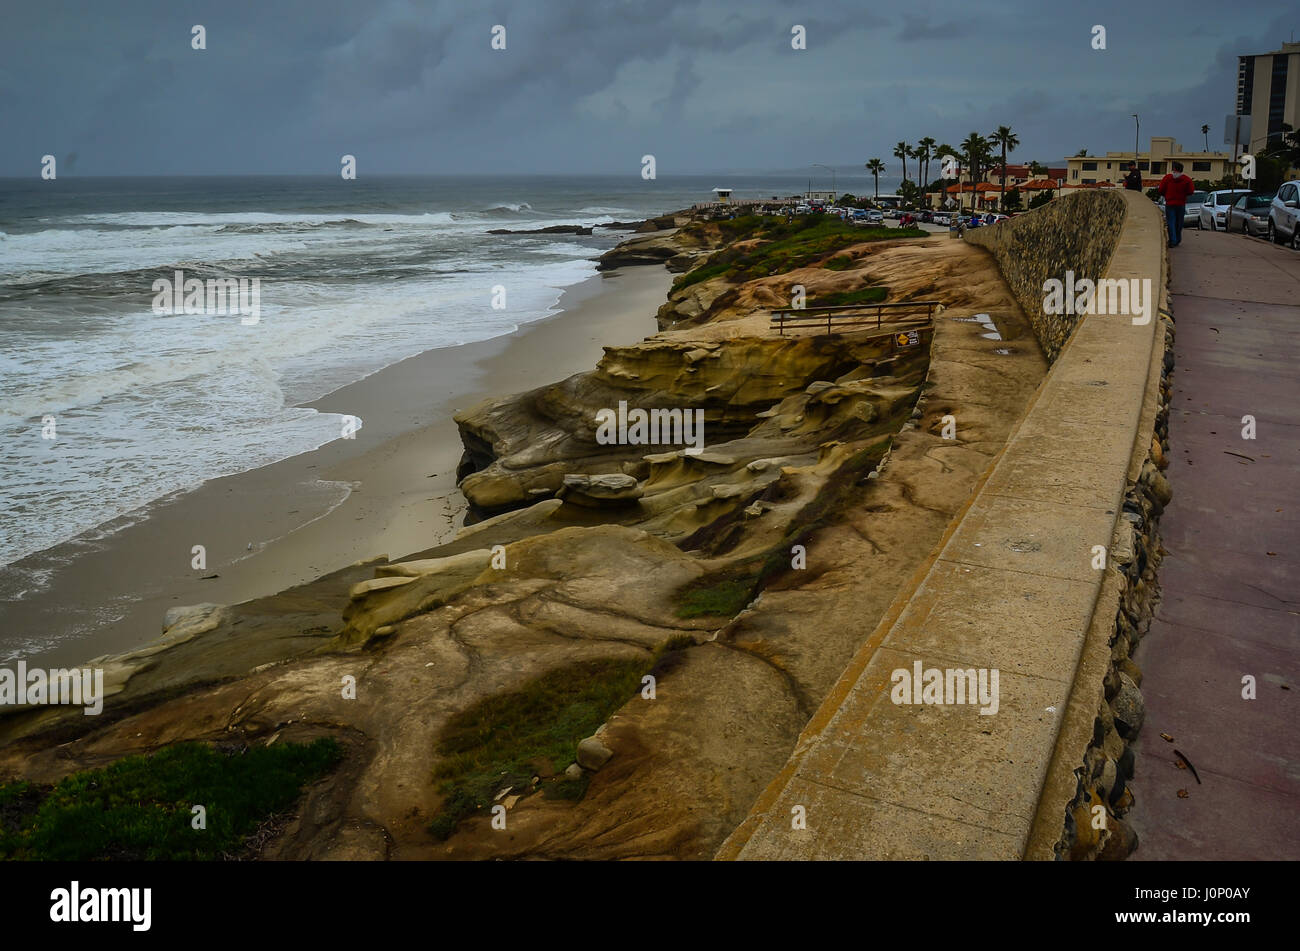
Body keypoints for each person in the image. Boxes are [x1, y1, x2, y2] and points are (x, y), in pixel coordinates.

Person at [1158, 161, 1195, 247]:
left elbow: (1161, 190)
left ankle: (1173, 240)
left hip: (1170, 203)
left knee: (1171, 221)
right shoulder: (1187, 180)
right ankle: (1177, 239)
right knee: (1179, 222)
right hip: (1181, 203)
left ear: (1174, 169)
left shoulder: (1167, 178)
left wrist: (1166, 194)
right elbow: (1191, 191)